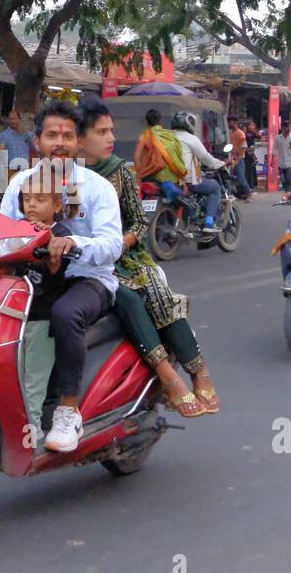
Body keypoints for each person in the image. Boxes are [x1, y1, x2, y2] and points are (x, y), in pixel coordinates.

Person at [79, 97, 220, 417]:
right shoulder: (62, 175)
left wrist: (120, 244)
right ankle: (165, 373)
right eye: (102, 132)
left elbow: (140, 221)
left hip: (125, 255)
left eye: (111, 131)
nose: (111, 138)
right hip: (83, 261)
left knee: (156, 291)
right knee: (126, 298)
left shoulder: (120, 172)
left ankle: (197, 371)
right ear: (80, 138)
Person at [0, 101, 123, 453]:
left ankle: (68, 411)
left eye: (68, 135)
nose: (60, 142)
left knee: (65, 313)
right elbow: (3, 230)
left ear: (78, 143)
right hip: (34, 278)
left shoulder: (98, 188)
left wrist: (73, 243)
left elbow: (113, 244)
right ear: (36, 141)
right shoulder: (20, 184)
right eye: (52, 134)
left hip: (88, 278)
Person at [17, 160, 74, 440]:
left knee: (33, 380)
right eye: (27, 199)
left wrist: (45, 236)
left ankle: (33, 428)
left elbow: (54, 268)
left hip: (43, 316)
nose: (32, 205)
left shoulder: (61, 235)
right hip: (15, 315)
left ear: (56, 205)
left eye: (40, 199)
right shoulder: (16, 228)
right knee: (13, 371)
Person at [171, 109, 226, 234]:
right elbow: (205, 157)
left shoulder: (167, 136)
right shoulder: (191, 138)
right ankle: (209, 222)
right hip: (186, 179)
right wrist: (221, 164)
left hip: (168, 178)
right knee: (214, 187)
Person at [0, 108, 35, 176]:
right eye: (10, 119)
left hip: (24, 171)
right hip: (10, 170)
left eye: (14, 119)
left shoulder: (27, 134)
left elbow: (36, 147)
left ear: (19, 120)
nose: (12, 121)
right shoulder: (3, 136)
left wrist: (27, 133)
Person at [274, 120, 291, 193]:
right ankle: (287, 191)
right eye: (287, 127)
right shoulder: (278, 138)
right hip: (281, 163)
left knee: (288, 179)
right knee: (283, 179)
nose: (288, 129)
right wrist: (272, 160)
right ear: (283, 128)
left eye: (290, 127)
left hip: (290, 162)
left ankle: (288, 194)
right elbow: (274, 149)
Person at [227, 118, 249, 195]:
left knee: (241, 179)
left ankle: (249, 194)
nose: (228, 123)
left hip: (239, 159)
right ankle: (240, 194)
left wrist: (239, 158)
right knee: (233, 178)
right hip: (232, 159)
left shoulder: (240, 133)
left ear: (235, 122)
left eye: (230, 121)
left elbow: (244, 147)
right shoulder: (230, 133)